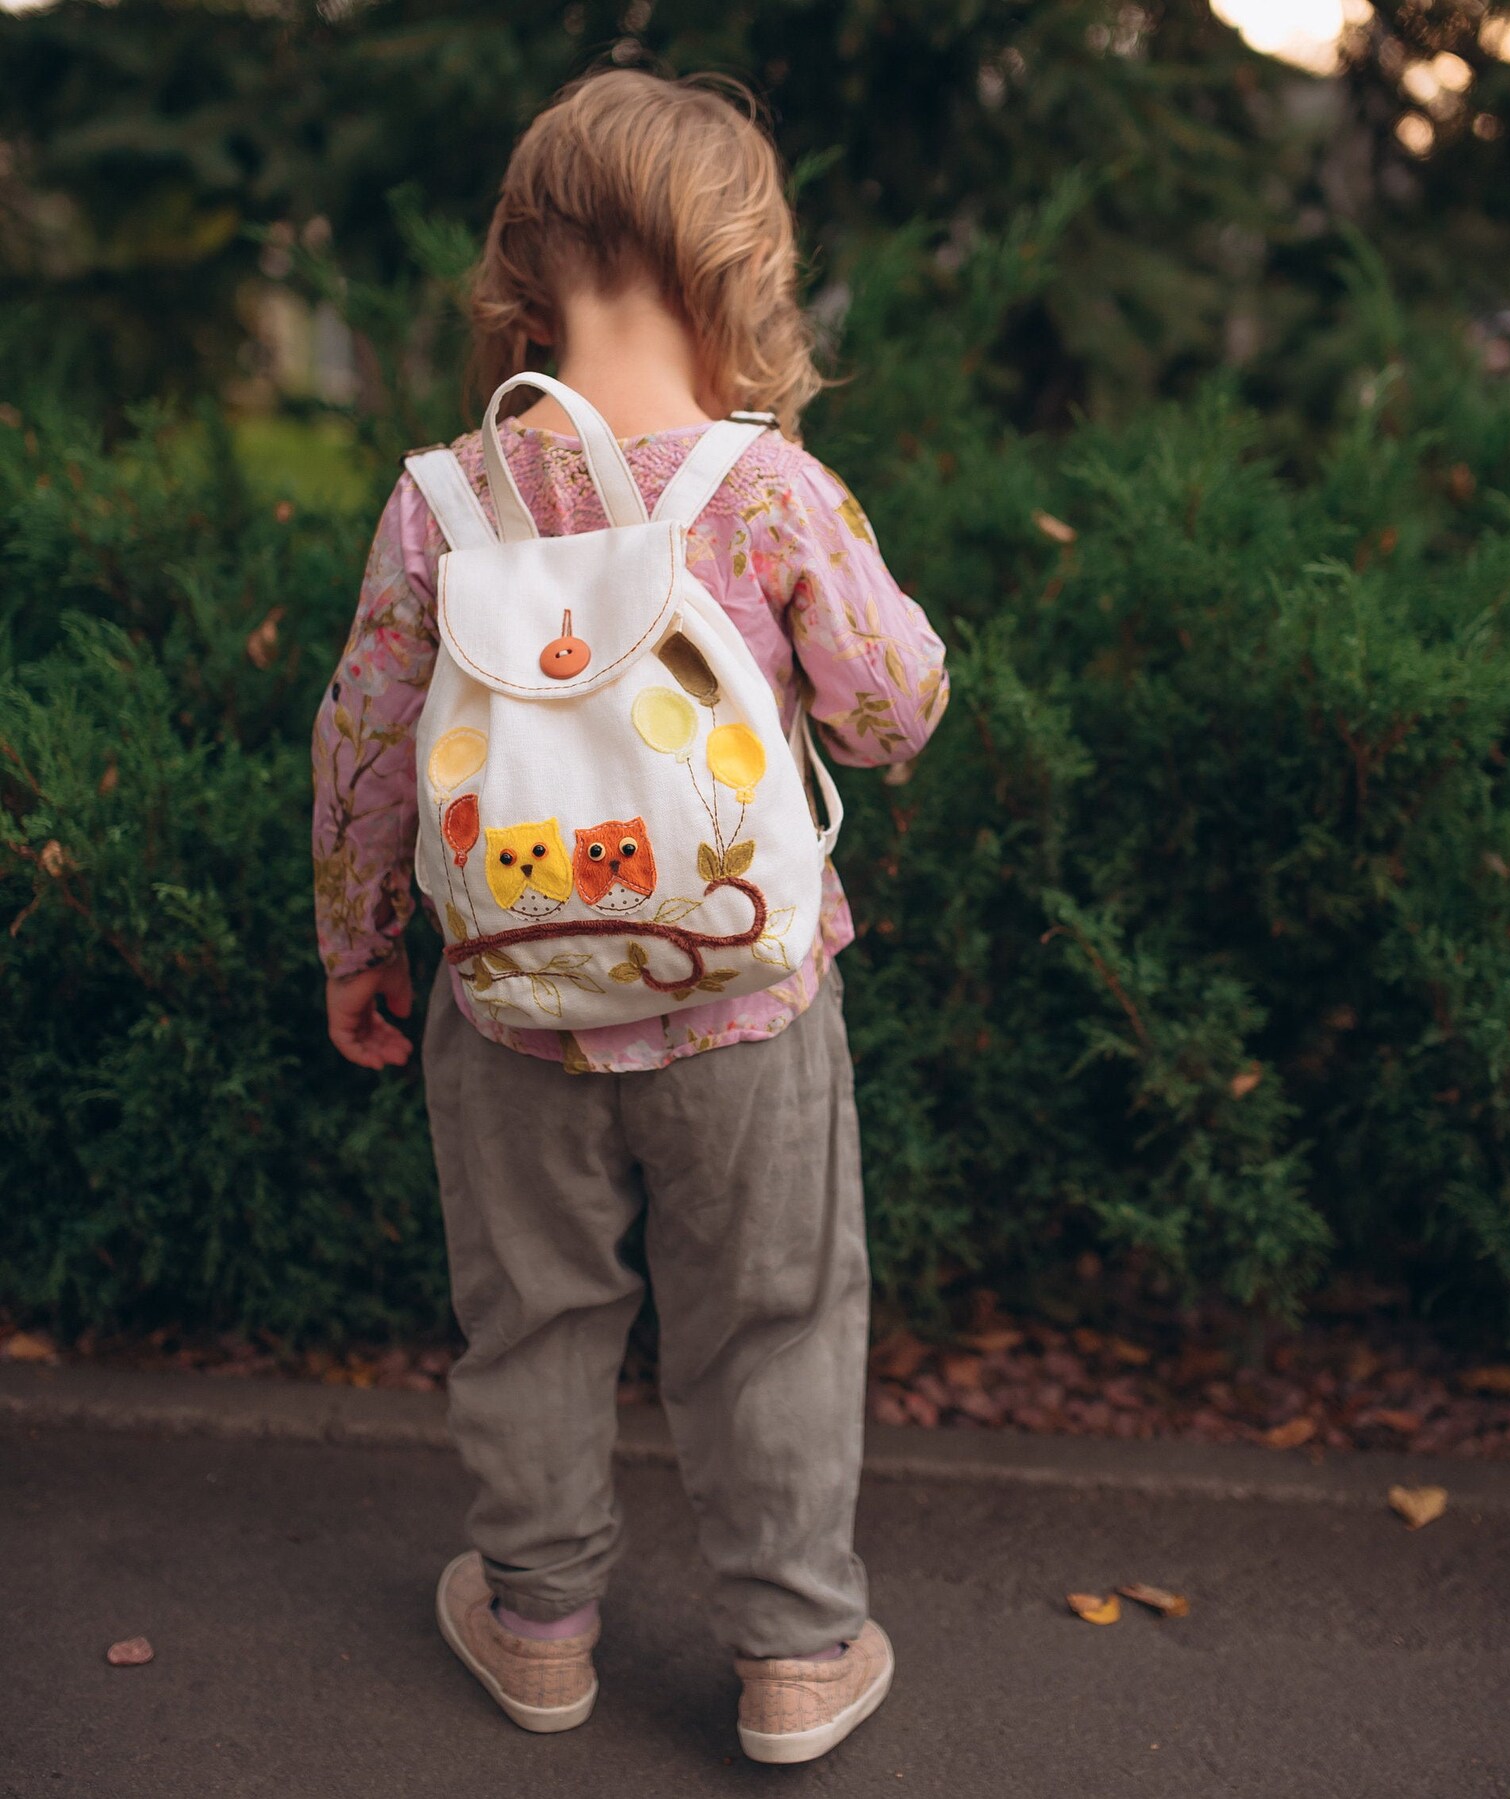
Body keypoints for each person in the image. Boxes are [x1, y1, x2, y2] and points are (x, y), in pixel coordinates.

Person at [310, 67, 948, 1767]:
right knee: (777, 1321)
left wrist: (356, 942)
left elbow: (365, 744)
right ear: (745, 263)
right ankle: (799, 1657)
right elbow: (890, 712)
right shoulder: (767, 490)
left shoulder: (442, 500)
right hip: (747, 1004)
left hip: (510, 1006)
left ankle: (535, 1628)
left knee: (530, 1319)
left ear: (522, 261)